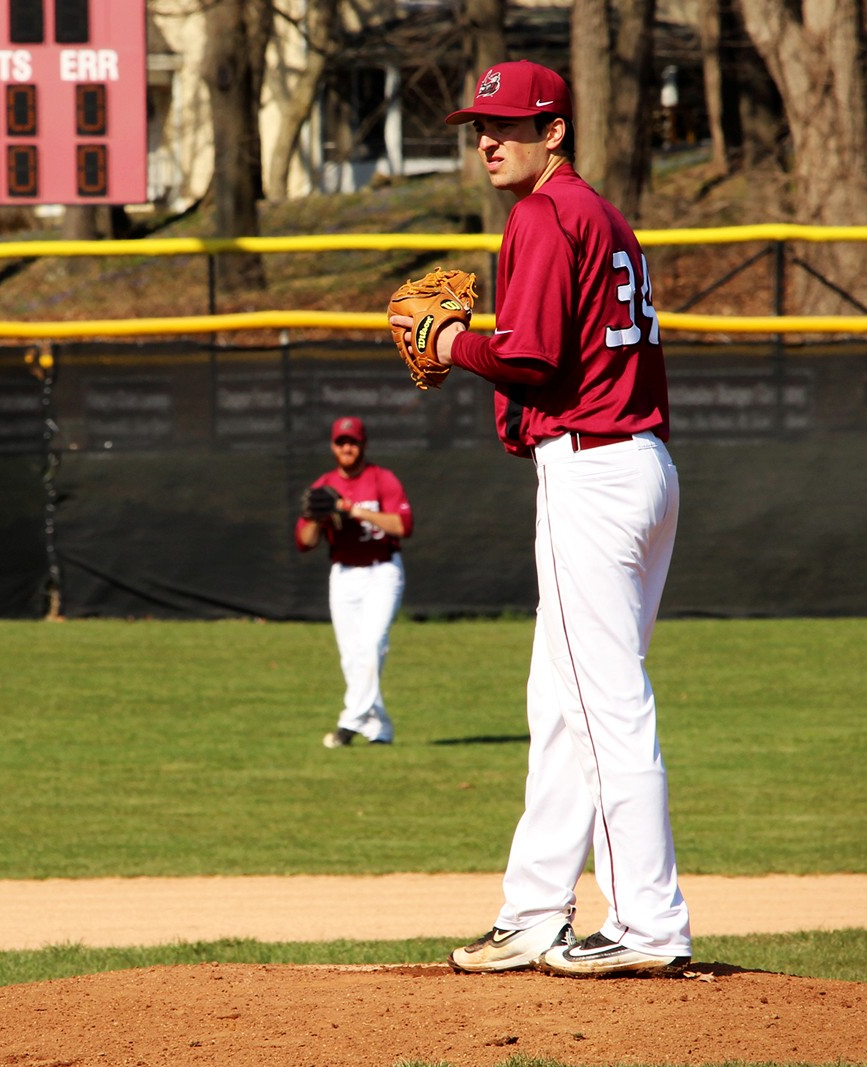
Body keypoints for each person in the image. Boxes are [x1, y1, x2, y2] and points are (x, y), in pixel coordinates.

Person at [390, 60, 691, 978]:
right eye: (479, 125)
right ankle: (532, 911)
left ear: (554, 131)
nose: (488, 139)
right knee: (563, 705)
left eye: (510, 125)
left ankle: (649, 921)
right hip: (636, 464)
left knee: (604, 707)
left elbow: (531, 351)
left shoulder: (544, 215)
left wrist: (453, 341)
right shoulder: (599, 214)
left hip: (593, 472)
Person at [295, 416, 414, 749]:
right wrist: (315, 519)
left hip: (382, 570)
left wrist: (356, 511)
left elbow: (403, 526)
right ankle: (380, 729)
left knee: (373, 644)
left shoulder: (382, 479)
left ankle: (348, 723)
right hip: (344, 573)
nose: (347, 448)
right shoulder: (324, 485)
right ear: (333, 446)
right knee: (352, 656)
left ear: (364, 445)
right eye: (340, 442)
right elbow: (304, 542)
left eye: (353, 442)